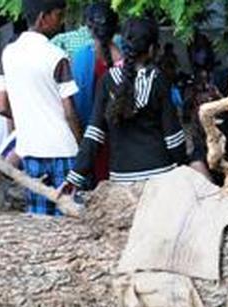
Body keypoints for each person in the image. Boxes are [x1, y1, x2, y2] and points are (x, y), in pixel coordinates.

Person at [62, 17, 188, 190]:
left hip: (122, 180)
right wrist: (184, 167)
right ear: (152, 49)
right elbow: (173, 137)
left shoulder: (107, 82)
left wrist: (74, 177)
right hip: (161, 176)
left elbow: (94, 134)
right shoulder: (159, 81)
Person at [0, 0, 82, 215]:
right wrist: (82, 145)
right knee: (70, 219)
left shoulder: (8, 54)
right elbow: (70, 111)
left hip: (31, 149)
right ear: (43, 17)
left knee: (39, 219)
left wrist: (28, 118)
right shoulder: (56, 55)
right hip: (64, 149)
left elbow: (2, 106)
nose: (61, 20)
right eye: (58, 15)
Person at [70, 2, 121, 127]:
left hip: (92, 134)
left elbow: (76, 105)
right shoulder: (128, 56)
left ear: (89, 28)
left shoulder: (80, 58)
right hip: (123, 136)